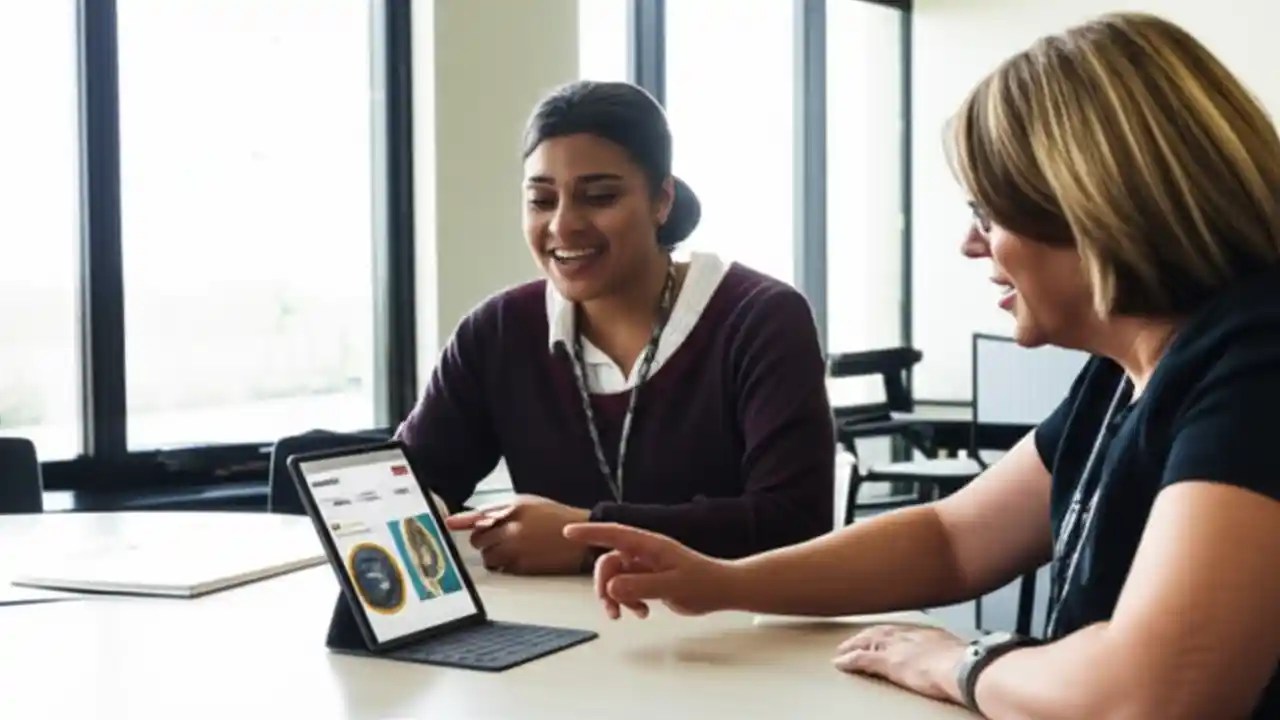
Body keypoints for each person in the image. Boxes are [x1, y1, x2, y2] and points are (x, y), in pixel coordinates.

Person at [564, 13, 1280, 719]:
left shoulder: (1257, 362)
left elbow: (1155, 692)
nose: (973, 245)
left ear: (1093, 209)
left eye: (988, 215)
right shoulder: (1126, 376)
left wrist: (957, 662)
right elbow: (952, 538)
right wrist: (721, 581)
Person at [395, 80, 835, 577]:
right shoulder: (496, 332)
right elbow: (407, 485)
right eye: (541, 201)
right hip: (554, 636)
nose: (563, 226)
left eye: (599, 197)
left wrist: (591, 538)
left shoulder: (759, 319)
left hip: (733, 636)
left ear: (661, 200)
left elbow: (796, 524)